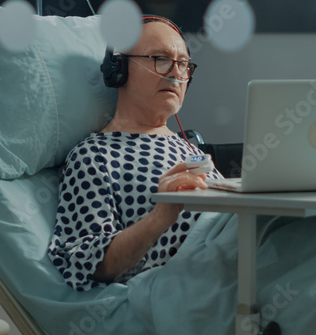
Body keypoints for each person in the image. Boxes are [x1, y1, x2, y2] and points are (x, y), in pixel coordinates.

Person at [48, 16, 222, 290]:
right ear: (120, 69)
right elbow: (88, 264)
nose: (176, 73)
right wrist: (160, 217)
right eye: (160, 58)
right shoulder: (94, 156)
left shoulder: (188, 148)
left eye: (184, 64)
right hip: (198, 288)